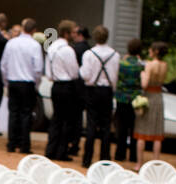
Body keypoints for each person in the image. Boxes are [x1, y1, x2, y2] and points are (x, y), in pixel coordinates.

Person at [79, 26, 118, 167]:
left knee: (91, 124)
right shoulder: (115, 55)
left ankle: (87, 159)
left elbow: (85, 75)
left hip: (92, 90)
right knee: (106, 126)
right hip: (107, 91)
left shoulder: (89, 54)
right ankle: (105, 159)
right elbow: (114, 77)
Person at [2, 18, 41, 154]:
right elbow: (38, 69)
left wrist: (6, 81)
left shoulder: (11, 43)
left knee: (13, 113)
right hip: (27, 83)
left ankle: (11, 143)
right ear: (34, 31)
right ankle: (24, 145)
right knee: (26, 114)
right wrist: (36, 84)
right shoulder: (35, 45)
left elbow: (4, 65)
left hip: (13, 81)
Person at [44, 19, 81, 161]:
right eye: (72, 32)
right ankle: (61, 152)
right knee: (66, 120)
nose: (74, 35)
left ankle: (50, 149)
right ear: (66, 33)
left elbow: (48, 72)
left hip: (55, 86)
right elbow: (74, 72)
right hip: (66, 86)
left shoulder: (51, 47)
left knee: (56, 119)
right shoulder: (67, 50)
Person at [134, 42, 168, 168]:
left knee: (142, 131)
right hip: (158, 96)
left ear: (156, 51)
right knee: (157, 133)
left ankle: (139, 163)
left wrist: (142, 74)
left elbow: (144, 84)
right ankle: (155, 162)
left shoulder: (149, 65)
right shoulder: (165, 65)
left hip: (148, 96)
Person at [112, 38, 144, 164]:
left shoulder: (122, 64)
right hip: (135, 99)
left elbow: (116, 78)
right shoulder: (140, 66)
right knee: (134, 127)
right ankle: (133, 155)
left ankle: (120, 153)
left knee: (121, 127)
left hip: (121, 97)